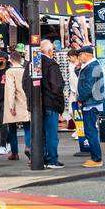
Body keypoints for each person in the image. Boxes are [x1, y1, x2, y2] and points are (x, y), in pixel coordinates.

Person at [23, 38, 66, 168]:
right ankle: (52, 159)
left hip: (36, 105)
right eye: (52, 50)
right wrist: (58, 101)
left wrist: (32, 99)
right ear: (49, 51)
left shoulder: (31, 64)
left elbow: (25, 84)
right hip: (50, 104)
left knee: (38, 132)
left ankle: (40, 157)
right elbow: (57, 86)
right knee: (51, 133)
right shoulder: (51, 65)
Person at [72, 47, 104, 168]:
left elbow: (88, 86)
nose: (79, 58)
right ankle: (95, 157)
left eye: (80, 55)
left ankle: (96, 159)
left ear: (86, 54)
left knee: (91, 132)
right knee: (91, 131)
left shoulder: (92, 67)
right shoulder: (91, 65)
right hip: (92, 102)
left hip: (91, 103)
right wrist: (77, 69)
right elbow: (84, 81)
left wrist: (80, 99)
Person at [3, 50, 31, 161]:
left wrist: (11, 106)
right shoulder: (25, 70)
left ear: (10, 60)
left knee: (12, 128)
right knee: (27, 126)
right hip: (25, 102)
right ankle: (28, 146)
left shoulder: (10, 72)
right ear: (20, 60)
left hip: (15, 102)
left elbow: (11, 89)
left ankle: (14, 153)